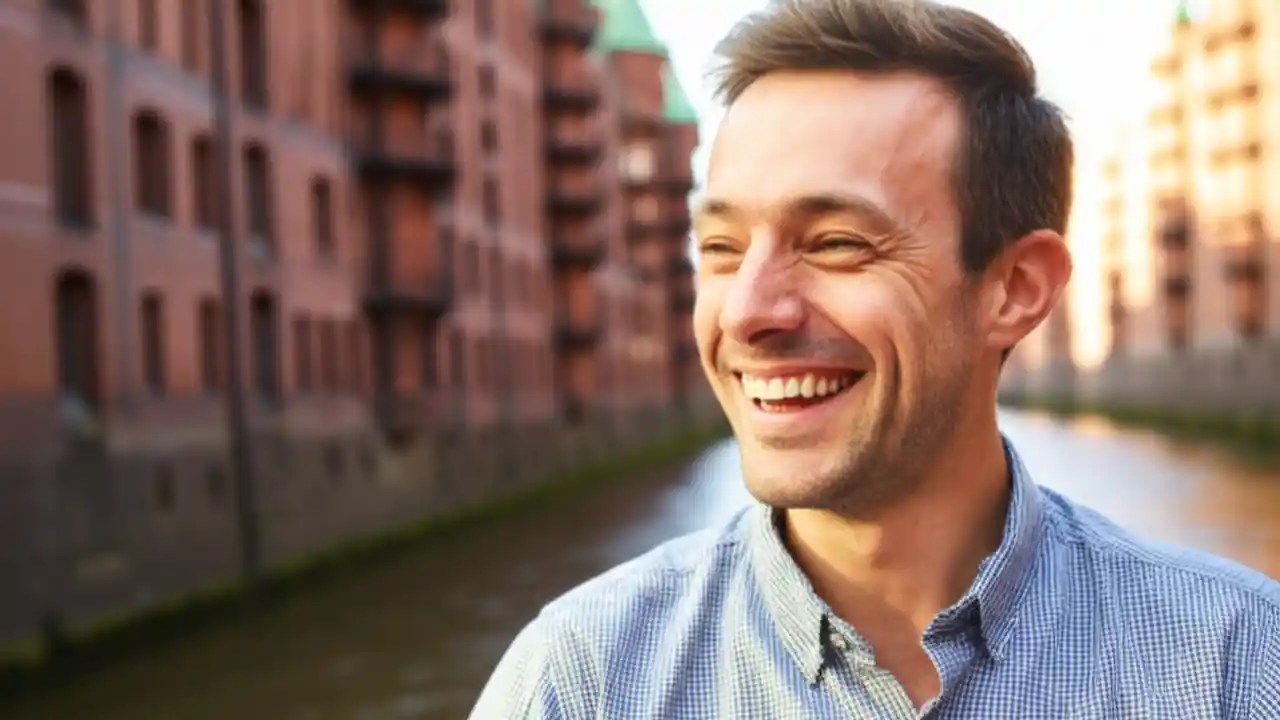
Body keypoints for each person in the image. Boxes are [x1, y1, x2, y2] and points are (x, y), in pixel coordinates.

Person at [471, 0, 1280, 716]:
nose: (748, 311)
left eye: (836, 243)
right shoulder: (580, 680)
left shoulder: (1237, 664)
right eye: (721, 248)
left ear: (1016, 289)